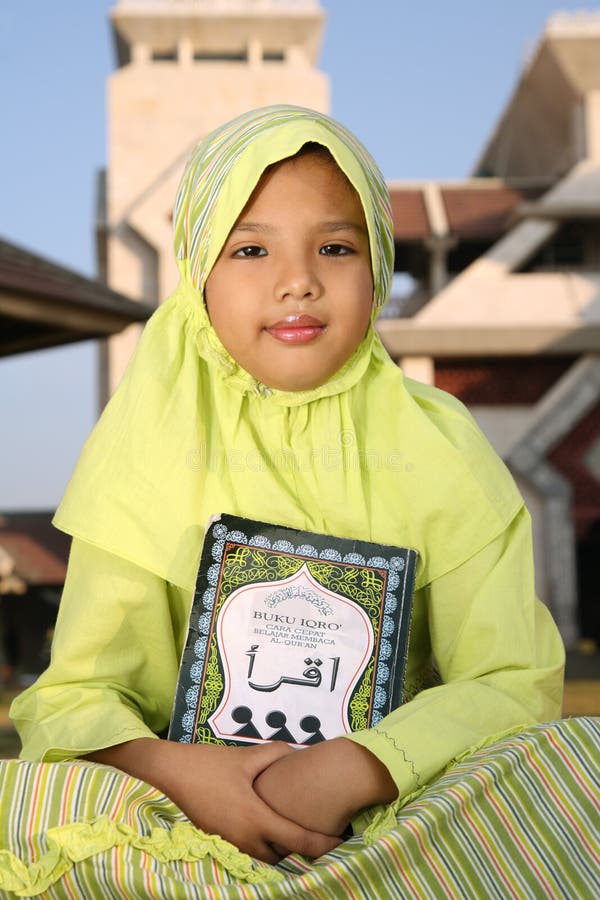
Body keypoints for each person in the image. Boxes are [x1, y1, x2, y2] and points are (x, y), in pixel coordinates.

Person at [3, 106, 598, 898]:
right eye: (250, 248)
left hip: (405, 819)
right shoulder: (145, 448)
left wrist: (359, 767)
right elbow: (76, 699)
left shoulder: (441, 448)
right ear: (199, 273)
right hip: (183, 819)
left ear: (379, 266)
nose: (298, 280)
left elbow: (510, 680)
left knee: (572, 760)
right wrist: (184, 773)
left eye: (336, 247)